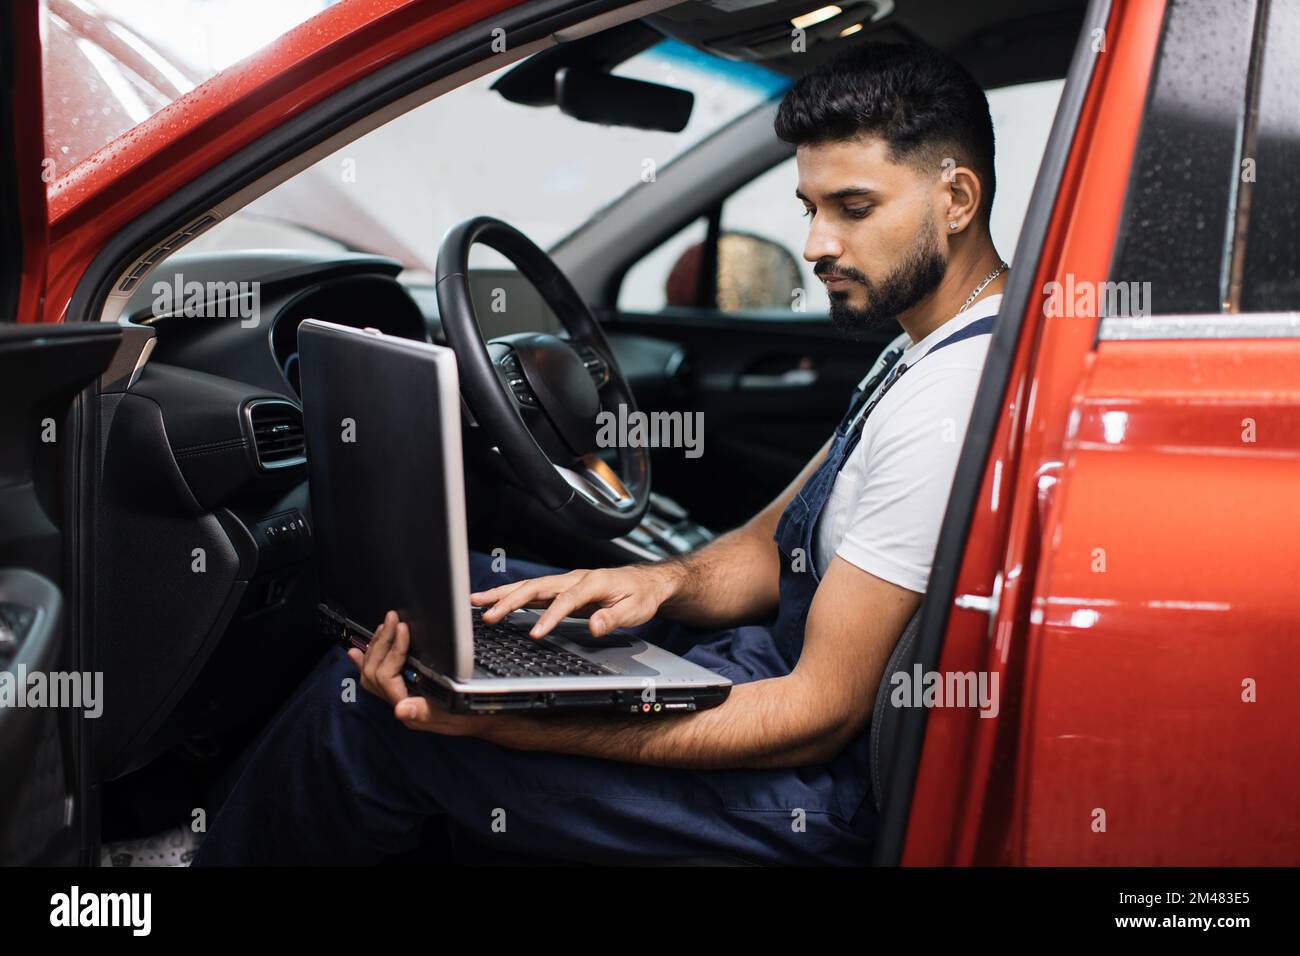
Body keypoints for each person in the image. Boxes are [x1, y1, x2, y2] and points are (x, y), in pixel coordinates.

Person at [193, 41, 1009, 866]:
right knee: (460, 603)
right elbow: (769, 545)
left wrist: (527, 726)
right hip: (763, 669)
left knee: (371, 708)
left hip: (811, 790)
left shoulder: (952, 398)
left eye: (854, 208)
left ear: (957, 198)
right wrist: (657, 582)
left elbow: (815, 716)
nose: (816, 245)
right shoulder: (923, 345)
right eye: (809, 208)